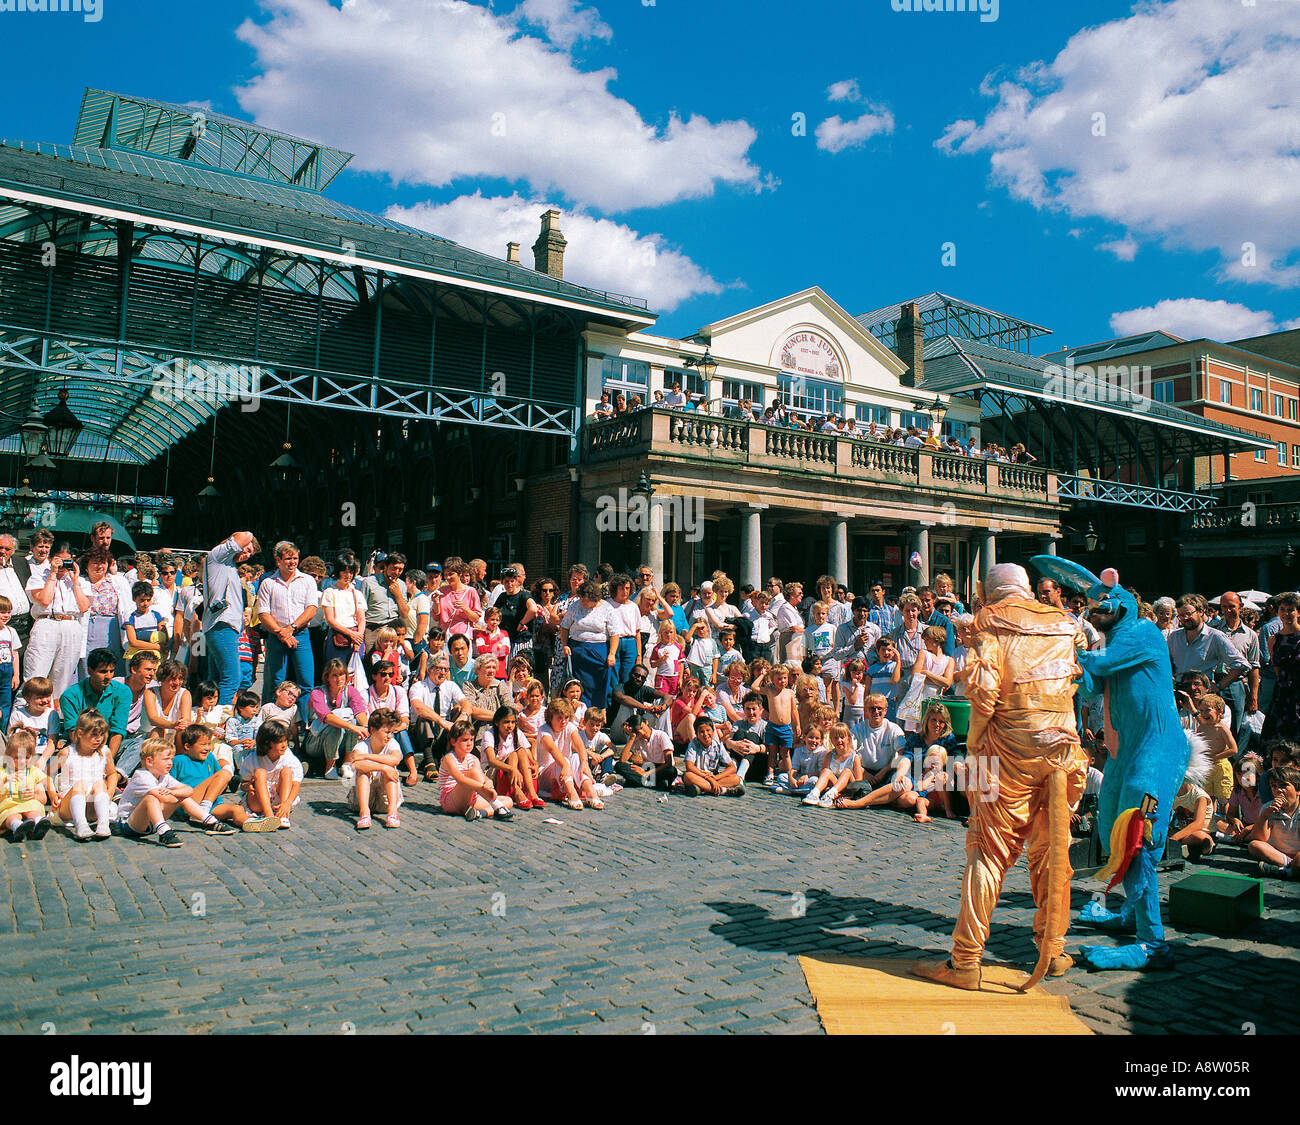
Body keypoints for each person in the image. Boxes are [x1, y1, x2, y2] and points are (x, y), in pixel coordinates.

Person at [913, 563, 1087, 991]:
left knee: (987, 850)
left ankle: (966, 961)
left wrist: (973, 744)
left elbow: (985, 691)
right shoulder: (1063, 622)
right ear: (1027, 589)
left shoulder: (989, 621)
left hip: (1006, 752)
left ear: (986, 592)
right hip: (1063, 750)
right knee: (1053, 851)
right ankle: (1055, 948)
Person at [117, 736, 232, 847]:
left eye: (171, 759)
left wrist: (174, 793)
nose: (170, 763)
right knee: (151, 798)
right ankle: (164, 832)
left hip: (151, 823)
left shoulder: (164, 776)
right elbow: (163, 798)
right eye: (166, 759)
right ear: (149, 761)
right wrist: (176, 795)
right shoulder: (141, 777)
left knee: (182, 796)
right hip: (130, 823)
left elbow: (189, 790)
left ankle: (209, 822)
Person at [170, 723, 278, 833]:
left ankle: (248, 823)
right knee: (225, 773)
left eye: (208, 744)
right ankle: (202, 812)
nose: (207, 748)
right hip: (190, 802)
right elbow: (170, 785)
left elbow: (221, 782)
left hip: (211, 804)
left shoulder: (210, 758)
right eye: (202, 745)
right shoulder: (179, 760)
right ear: (188, 746)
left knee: (237, 809)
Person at [256, 541, 320, 714]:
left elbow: (311, 609)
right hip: (276, 636)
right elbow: (263, 613)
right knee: (276, 682)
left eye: (295, 558)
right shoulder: (268, 583)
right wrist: (281, 633)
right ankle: (272, 721)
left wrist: (291, 629)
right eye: (288, 559)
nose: (292, 562)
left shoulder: (307, 581)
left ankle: (305, 724)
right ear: (278, 560)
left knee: (306, 681)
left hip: (301, 635)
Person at [25, 540, 90, 700]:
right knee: (35, 673)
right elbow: (45, 600)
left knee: (62, 677)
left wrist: (75, 581)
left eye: (67, 561)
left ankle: (54, 716)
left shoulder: (80, 581)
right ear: (51, 559)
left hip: (71, 625)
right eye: (59, 560)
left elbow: (84, 606)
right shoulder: (39, 577)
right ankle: (25, 714)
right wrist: (53, 574)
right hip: (47, 623)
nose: (62, 566)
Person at [58, 648, 133, 785]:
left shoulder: (123, 691)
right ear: (90, 670)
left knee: (138, 744)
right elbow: (74, 733)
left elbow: (118, 729)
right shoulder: (70, 695)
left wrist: (106, 758)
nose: (108, 676)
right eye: (103, 671)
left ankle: (115, 776)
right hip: (80, 744)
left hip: (110, 744)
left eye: (111, 671)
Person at [200, 531, 259, 705]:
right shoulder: (217, 557)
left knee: (216, 678)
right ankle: (222, 718)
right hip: (221, 625)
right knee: (232, 677)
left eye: (250, 554)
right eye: (247, 549)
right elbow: (247, 534)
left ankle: (209, 717)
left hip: (225, 627)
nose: (246, 555)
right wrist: (238, 540)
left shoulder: (230, 567)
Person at [306, 659, 368, 780]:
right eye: (334, 675)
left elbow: (360, 711)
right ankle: (330, 767)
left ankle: (347, 763)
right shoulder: (317, 693)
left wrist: (364, 728)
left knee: (355, 722)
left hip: (341, 740)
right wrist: (351, 726)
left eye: (341, 674)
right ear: (327, 677)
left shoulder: (351, 691)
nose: (339, 678)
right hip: (316, 740)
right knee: (336, 726)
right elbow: (327, 717)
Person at [440, 718, 514, 821]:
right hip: (452, 800)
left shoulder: (473, 758)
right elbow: (461, 780)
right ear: (453, 741)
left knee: (508, 801)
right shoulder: (449, 758)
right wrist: (483, 788)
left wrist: (488, 781)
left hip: (472, 797)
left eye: (471, 740)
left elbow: (482, 776)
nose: (469, 743)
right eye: (465, 740)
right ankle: (496, 805)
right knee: (472, 772)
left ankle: (480, 813)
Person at [536, 698, 602, 810]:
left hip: (565, 771)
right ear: (551, 718)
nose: (564, 721)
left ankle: (591, 793)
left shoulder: (569, 727)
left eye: (566, 718)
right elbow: (553, 750)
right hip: (546, 775)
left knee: (576, 757)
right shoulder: (544, 731)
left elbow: (580, 745)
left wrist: (584, 763)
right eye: (559, 718)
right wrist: (566, 766)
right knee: (564, 760)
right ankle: (572, 794)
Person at [559, 580, 616, 708]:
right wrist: (565, 645)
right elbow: (564, 627)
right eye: (581, 599)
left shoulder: (607, 608)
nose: (582, 602)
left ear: (594, 598)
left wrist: (612, 654)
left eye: (585, 600)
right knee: (579, 685)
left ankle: (597, 714)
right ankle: (579, 713)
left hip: (599, 651)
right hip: (578, 651)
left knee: (599, 685)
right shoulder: (575, 606)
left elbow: (614, 634)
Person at [409, 654, 467, 780]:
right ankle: (430, 762)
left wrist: (463, 716)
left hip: (443, 731)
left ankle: (450, 759)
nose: (443, 673)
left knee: (460, 713)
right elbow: (418, 707)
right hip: (420, 732)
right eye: (439, 669)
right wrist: (441, 721)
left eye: (446, 669)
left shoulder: (450, 685)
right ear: (429, 670)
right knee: (424, 716)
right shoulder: (418, 686)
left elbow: (466, 703)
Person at [348, 708, 404, 831]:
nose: (389, 736)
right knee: (363, 772)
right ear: (373, 730)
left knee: (390, 769)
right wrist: (383, 767)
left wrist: (367, 757)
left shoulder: (392, 744)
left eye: (391, 732)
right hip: (362, 799)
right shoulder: (362, 746)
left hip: (384, 800)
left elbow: (395, 759)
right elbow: (356, 765)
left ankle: (392, 812)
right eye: (386, 732)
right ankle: (364, 813)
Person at [238, 720, 300, 829]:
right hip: (258, 801)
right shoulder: (253, 758)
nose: (284, 745)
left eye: (285, 741)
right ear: (267, 743)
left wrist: (288, 803)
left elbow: (295, 784)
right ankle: (269, 815)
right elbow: (243, 783)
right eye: (279, 742)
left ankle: (283, 814)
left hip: (279, 797)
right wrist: (248, 787)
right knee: (260, 772)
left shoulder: (288, 757)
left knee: (287, 771)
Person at [0, 729, 53, 842]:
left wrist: (34, 794)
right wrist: (4, 780)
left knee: (34, 811)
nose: (22, 761)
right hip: (9, 806)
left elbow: (43, 799)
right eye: (17, 757)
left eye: (27, 757)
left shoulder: (33, 772)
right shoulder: (3, 772)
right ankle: (17, 827)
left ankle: (39, 824)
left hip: (29, 803)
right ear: (8, 755)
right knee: (11, 816)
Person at [1249, 764, 1300, 878]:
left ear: (1298, 790)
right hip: (1279, 854)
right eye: (1274, 786)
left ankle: (1286, 872)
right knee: (1254, 845)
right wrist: (1265, 815)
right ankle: (1290, 866)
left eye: (1284, 786)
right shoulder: (1268, 807)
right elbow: (1260, 838)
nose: (1279, 790)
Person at [1263, 592, 1300, 742]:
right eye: (1282, 609)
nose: (1286, 614)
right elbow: (1277, 669)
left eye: (1290, 609)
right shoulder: (1273, 640)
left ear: (1298, 612)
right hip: (1282, 695)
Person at [682, 716, 743, 796]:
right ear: (696, 734)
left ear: (713, 731)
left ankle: (703, 789)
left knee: (736, 778)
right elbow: (689, 766)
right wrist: (708, 778)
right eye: (702, 732)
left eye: (708, 730)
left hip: (714, 777)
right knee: (687, 776)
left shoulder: (718, 745)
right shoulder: (693, 744)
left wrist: (715, 778)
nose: (706, 734)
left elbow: (732, 767)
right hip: (699, 775)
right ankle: (723, 791)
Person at [617, 714, 677, 789]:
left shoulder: (661, 735)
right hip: (647, 766)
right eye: (638, 732)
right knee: (619, 766)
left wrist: (646, 774)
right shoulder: (637, 738)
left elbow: (668, 763)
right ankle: (650, 782)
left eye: (642, 728)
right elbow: (623, 760)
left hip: (661, 768)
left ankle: (641, 781)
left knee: (671, 771)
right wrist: (632, 738)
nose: (642, 733)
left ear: (646, 722)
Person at [10, 676, 59, 769]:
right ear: (28, 698)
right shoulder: (18, 714)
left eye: (48, 696)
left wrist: (43, 760)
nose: (45, 700)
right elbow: (13, 742)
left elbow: (52, 741)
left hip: (44, 754)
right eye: (40, 698)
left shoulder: (52, 714)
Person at [0, 594, 21, 732]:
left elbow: (15, 653)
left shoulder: (10, 631)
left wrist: (16, 675)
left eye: (8, 612)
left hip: (6, 674)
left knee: (5, 705)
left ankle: (2, 734)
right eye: (2, 612)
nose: (6, 615)